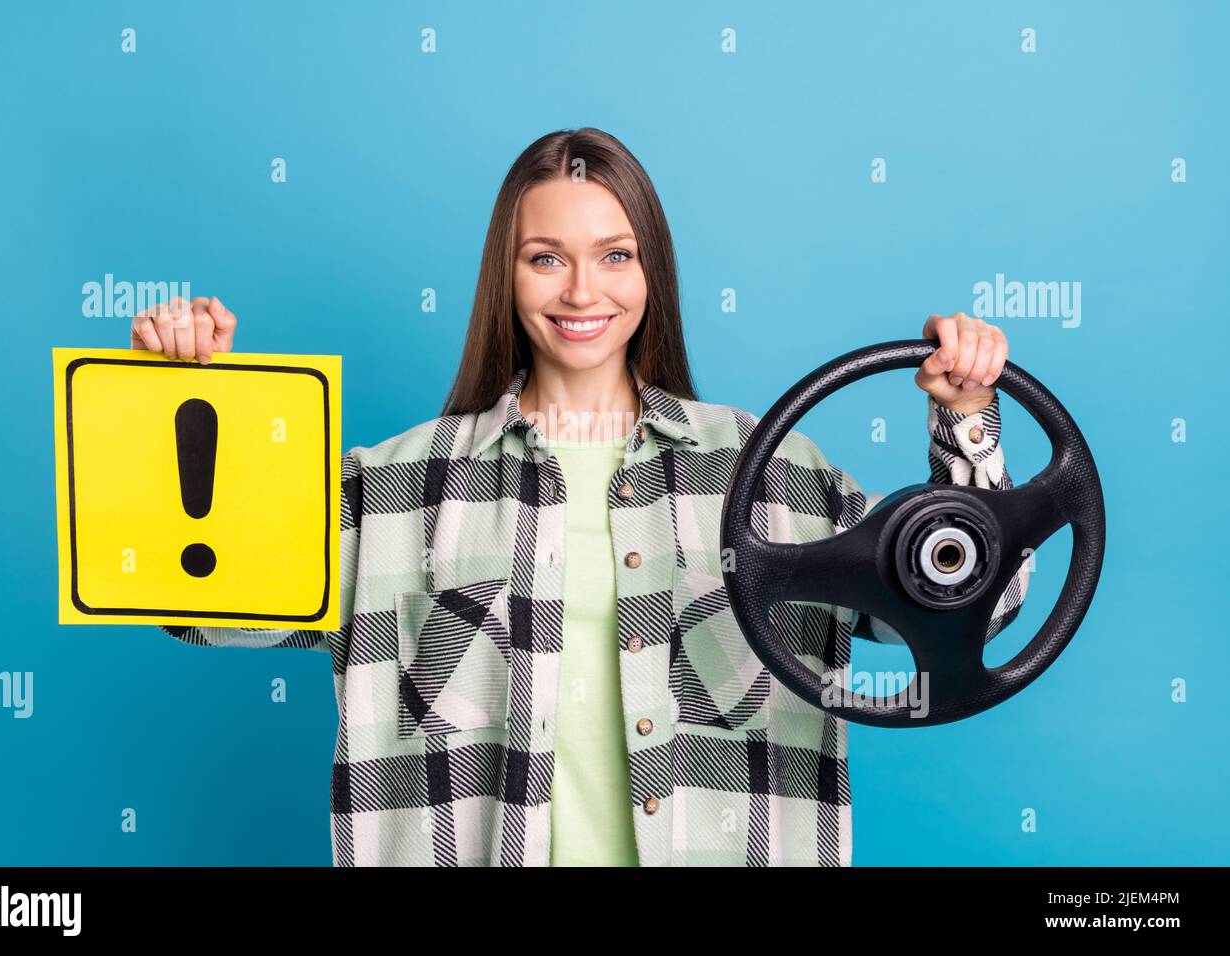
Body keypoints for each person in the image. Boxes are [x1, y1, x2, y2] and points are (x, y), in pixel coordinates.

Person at [131, 127, 1029, 866]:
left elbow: (971, 612)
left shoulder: (775, 476)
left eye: (614, 255)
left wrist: (970, 424)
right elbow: (206, 605)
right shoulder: (395, 490)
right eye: (546, 258)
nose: (583, 290)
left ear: (651, 272)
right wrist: (191, 406)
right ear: (506, 276)